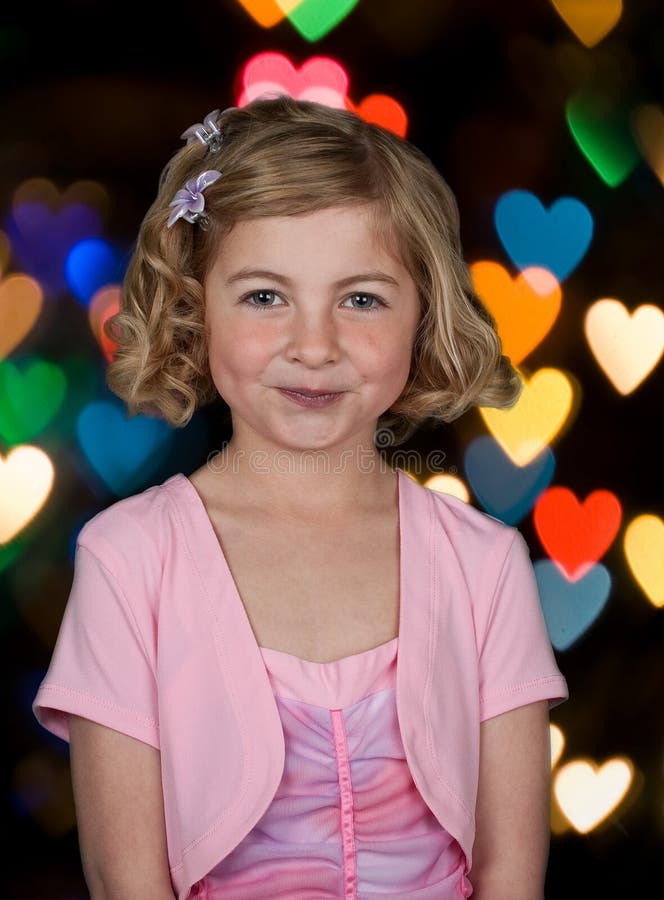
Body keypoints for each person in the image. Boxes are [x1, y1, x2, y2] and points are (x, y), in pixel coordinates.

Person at [32, 96, 569, 900]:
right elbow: (126, 880)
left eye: (361, 299)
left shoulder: (484, 567)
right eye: (263, 297)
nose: (313, 346)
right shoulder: (130, 561)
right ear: (193, 308)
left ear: (422, 314)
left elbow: (511, 875)